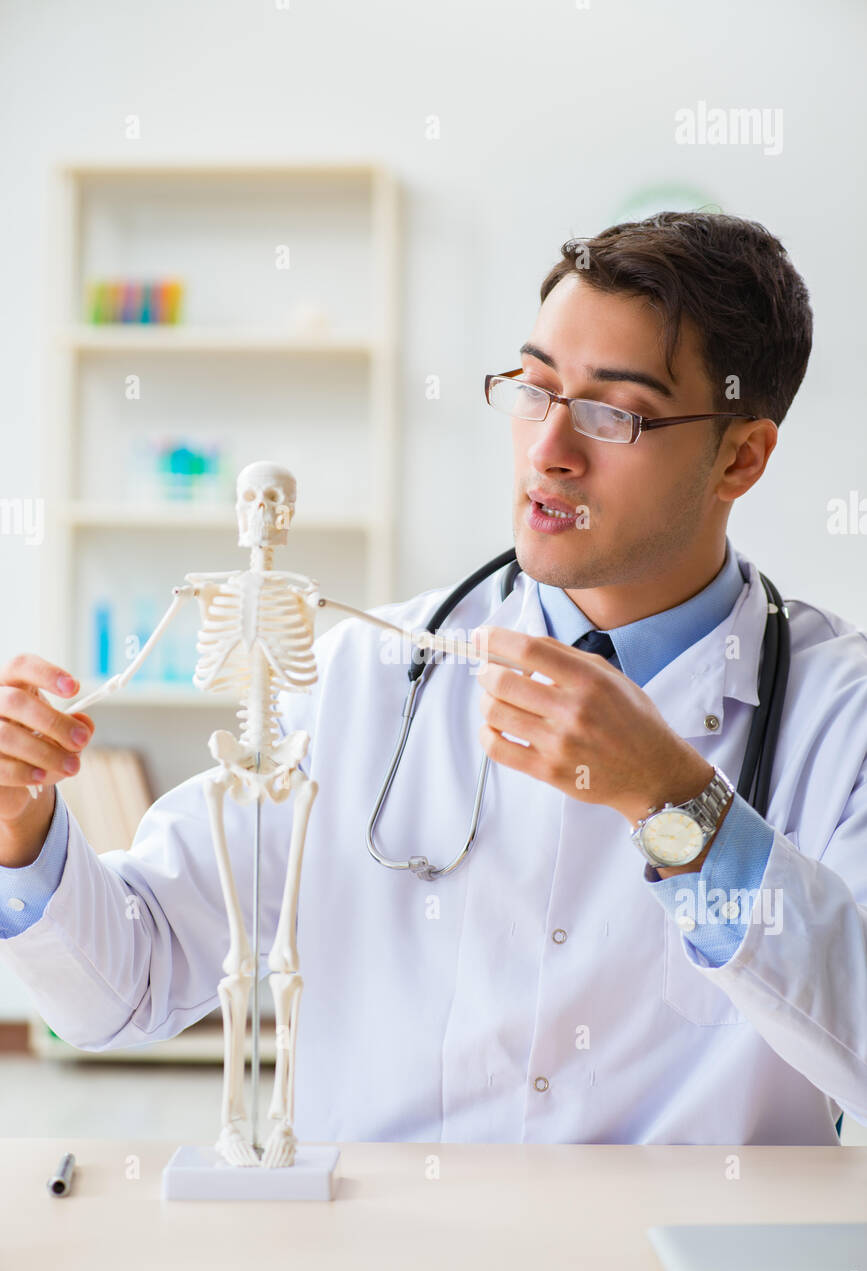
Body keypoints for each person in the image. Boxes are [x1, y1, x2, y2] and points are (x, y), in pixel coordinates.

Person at [1, 210, 865, 1145]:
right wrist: (22, 829)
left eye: (614, 413)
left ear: (740, 456)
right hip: (390, 1269)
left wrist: (680, 807)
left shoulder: (838, 711)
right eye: (534, 390)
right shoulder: (371, 675)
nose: (549, 449)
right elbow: (124, 990)